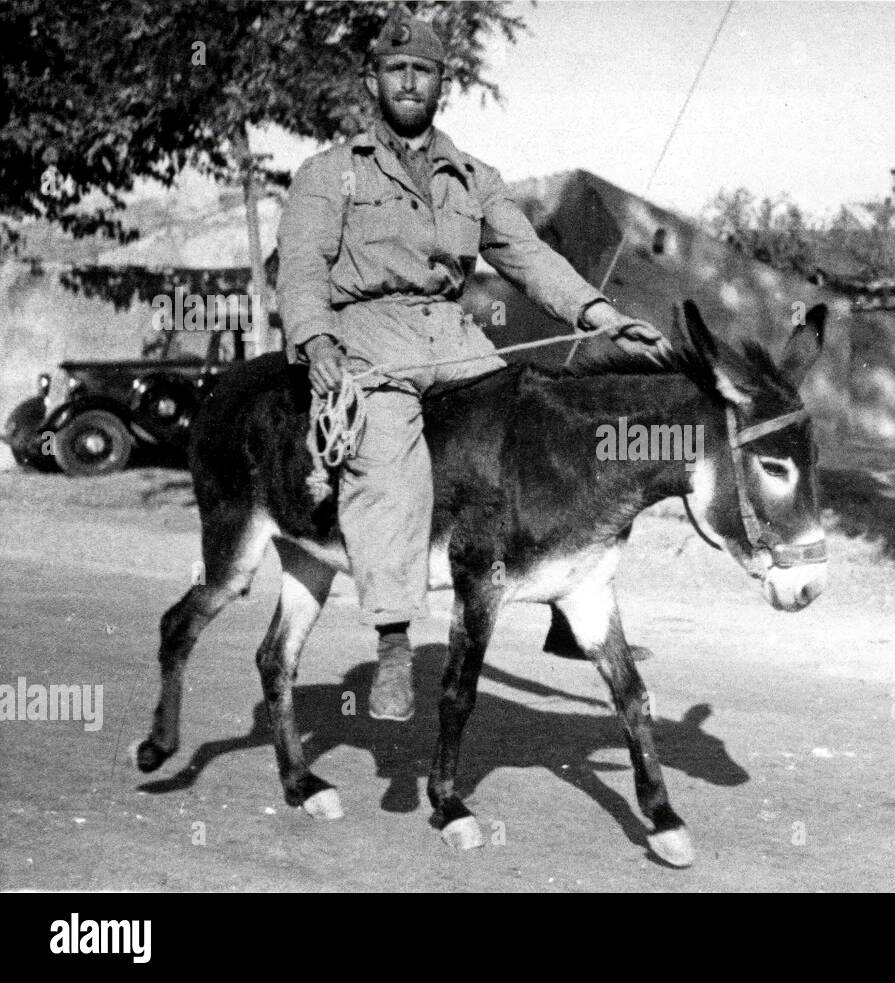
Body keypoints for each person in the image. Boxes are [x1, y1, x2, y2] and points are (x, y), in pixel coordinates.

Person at [277, 10, 668, 721]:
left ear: (440, 85)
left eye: (422, 71)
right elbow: (302, 268)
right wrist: (319, 342)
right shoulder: (328, 174)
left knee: (544, 424)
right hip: (368, 332)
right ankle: (394, 639)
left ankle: (563, 604)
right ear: (372, 81)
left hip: (452, 333)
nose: (408, 81)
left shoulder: (474, 178)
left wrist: (599, 314)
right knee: (387, 454)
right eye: (395, 70)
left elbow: (528, 257)